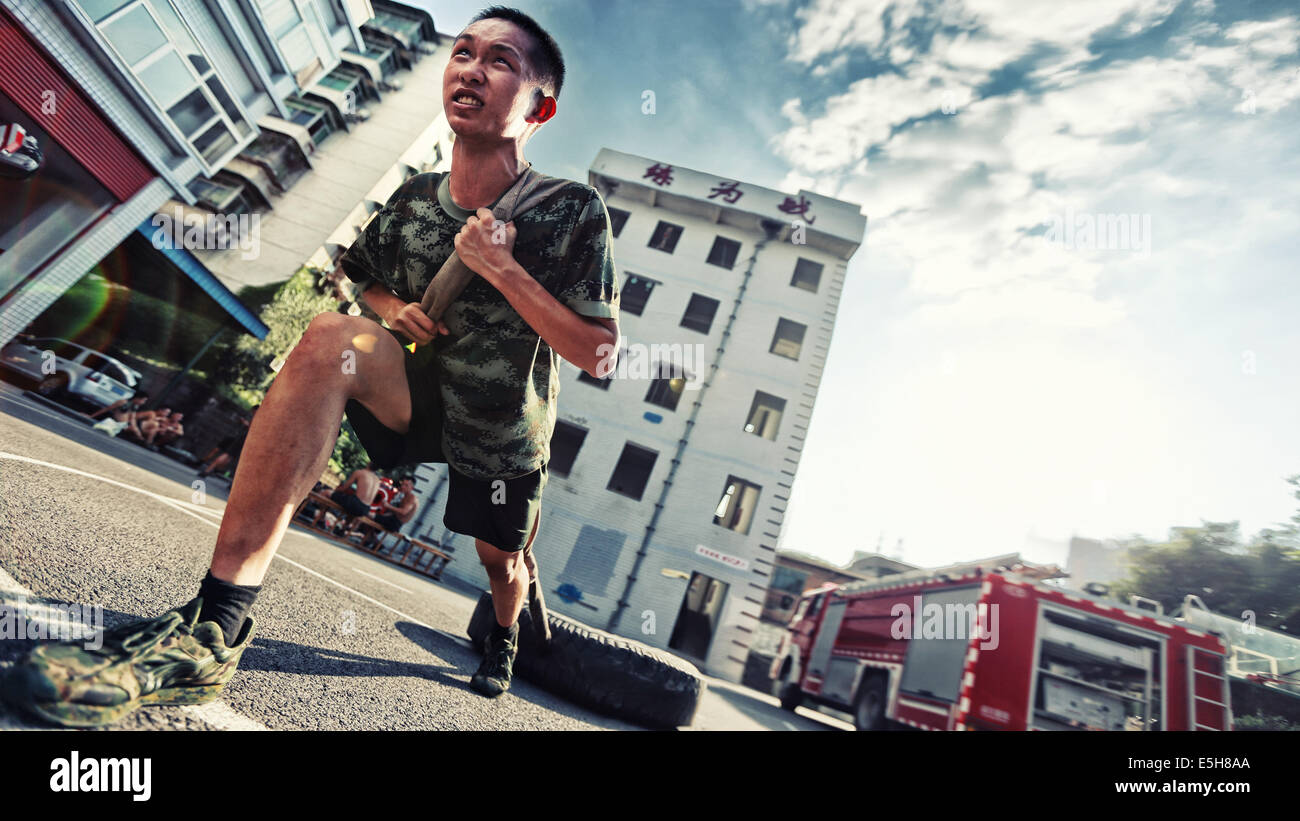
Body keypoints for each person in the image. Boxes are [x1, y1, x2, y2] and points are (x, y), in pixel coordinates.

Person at [4, 5, 619, 727]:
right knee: (332, 335)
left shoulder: (571, 209)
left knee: (500, 563)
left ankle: (506, 640)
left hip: (500, 421)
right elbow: (365, 278)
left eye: (501, 61)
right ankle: (217, 622)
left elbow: (599, 353)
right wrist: (390, 312)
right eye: (463, 51)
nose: (472, 68)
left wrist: (504, 270)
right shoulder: (416, 198)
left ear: (540, 107)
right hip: (413, 389)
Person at [197, 405, 259, 478]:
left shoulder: (257, 416)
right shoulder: (260, 417)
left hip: (244, 437)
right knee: (229, 455)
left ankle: (210, 469)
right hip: (247, 438)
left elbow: (250, 427)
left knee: (228, 455)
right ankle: (211, 469)